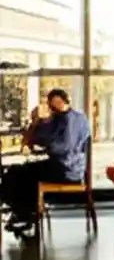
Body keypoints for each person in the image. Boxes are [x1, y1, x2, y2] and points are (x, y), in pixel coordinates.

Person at [2, 89, 91, 233]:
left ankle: (23, 212)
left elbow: (65, 146)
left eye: (58, 102)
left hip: (68, 169)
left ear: (66, 100)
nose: (56, 106)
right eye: (53, 103)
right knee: (19, 171)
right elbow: (33, 138)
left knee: (23, 173)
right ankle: (22, 211)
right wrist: (36, 122)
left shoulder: (77, 118)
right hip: (58, 165)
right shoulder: (56, 119)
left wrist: (48, 146)